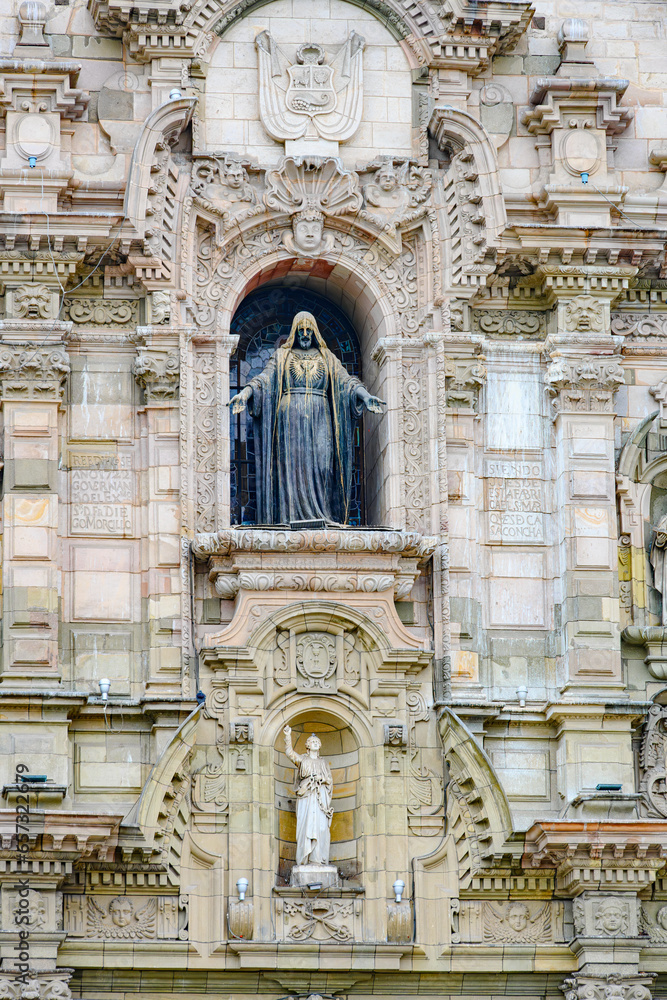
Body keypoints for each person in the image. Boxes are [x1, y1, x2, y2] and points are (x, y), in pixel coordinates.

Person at [229, 310, 384, 525]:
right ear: (294, 332)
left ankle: (324, 515)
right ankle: (289, 517)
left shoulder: (327, 357)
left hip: (321, 415)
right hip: (289, 419)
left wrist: (366, 397)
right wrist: (245, 394)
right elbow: (263, 380)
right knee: (292, 469)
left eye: (308, 330)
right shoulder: (282, 356)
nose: (304, 334)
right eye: (300, 330)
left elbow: (347, 382)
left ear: (314, 333)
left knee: (323, 466)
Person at [283, 724, 333, 866]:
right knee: (306, 826)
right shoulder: (303, 760)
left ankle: (318, 859)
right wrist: (288, 736)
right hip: (306, 795)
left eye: (317, 742)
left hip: (320, 797)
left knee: (321, 827)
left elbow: (329, 780)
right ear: (307, 746)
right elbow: (290, 753)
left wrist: (321, 779)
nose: (315, 743)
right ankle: (305, 859)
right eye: (312, 742)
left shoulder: (323, 763)